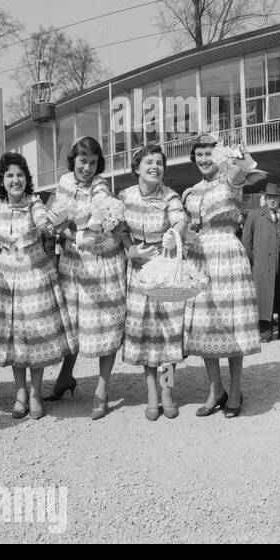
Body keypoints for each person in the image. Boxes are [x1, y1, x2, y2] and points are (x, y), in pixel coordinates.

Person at [0, 152, 75, 420]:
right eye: (9, 175)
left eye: (20, 175)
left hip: (34, 274)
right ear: (2, 179)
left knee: (35, 337)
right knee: (15, 338)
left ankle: (35, 392)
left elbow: (44, 222)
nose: (15, 180)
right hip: (6, 277)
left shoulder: (35, 203)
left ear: (26, 178)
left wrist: (50, 226)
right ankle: (19, 392)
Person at [43, 137, 127, 419]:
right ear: (73, 160)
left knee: (105, 323)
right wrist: (72, 234)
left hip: (102, 261)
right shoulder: (64, 183)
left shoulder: (101, 187)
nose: (87, 168)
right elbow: (55, 221)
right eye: (83, 161)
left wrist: (87, 230)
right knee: (72, 323)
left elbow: (104, 222)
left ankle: (102, 389)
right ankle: (65, 377)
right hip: (73, 261)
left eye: (93, 162)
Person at [182, 135, 263, 418]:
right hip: (200, 257)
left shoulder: (231, 179)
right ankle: (216, 389)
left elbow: (247, 166)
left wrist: (233, 151)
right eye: (200, 155)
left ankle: (236, 389)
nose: (204, 159)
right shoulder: (190, 191)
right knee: (206, 325)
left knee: (231, 321)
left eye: (209, 154)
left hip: (227, 253)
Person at [117, 145, 188, 420]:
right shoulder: (124, 196)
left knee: (168, 334)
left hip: (164, 269)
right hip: (138, 271)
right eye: (149, 162)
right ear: (137, 167)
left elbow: (179, 219)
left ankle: (168, 390)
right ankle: (151, 392)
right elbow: (117, 226)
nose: (155, 167)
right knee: (145, 333)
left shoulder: (170, 196)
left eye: (159, 163)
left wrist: (173, 233)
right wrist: (128, 248)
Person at [241, 182, 280, 341]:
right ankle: (265, 332)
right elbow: (246, 241)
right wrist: (255, 259)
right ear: (265, 198)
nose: (272, 201)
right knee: (264, 298)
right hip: (262, 264)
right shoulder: (254, 215)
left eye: (275, 197)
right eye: (269, 197)